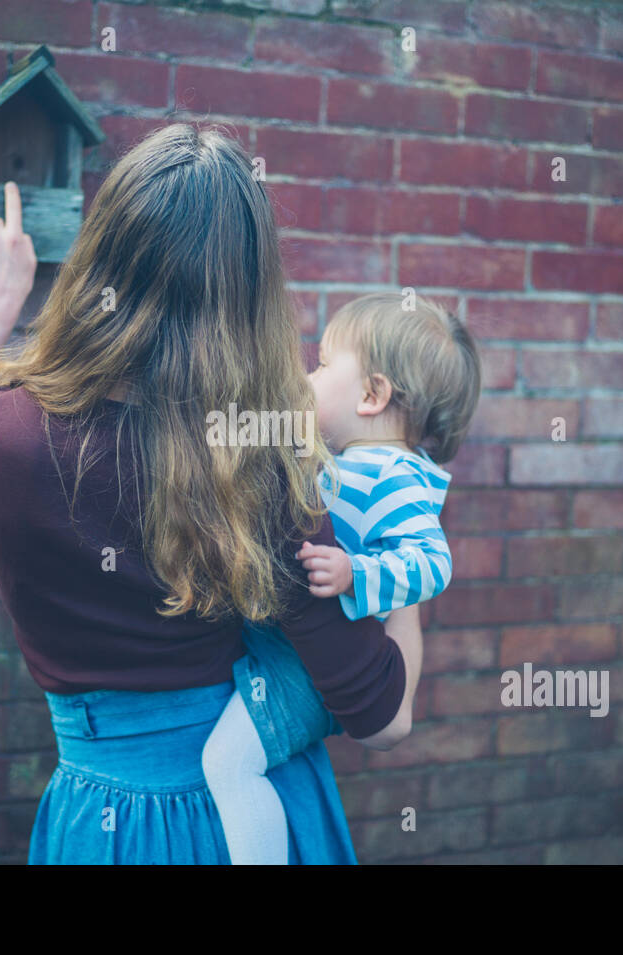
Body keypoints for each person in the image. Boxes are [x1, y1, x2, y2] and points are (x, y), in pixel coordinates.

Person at [0, 124, 422, 864]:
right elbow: (383, 715)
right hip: (232, 821)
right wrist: (406, 543)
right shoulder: (258, 467)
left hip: (90, 818)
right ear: (246, 301)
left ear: (99, 258)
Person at [201, 293, 480, 864]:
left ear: (372, 395)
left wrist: (358, 571)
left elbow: (434, 564)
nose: (310, 375)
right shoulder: (349, 462)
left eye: (324, 364)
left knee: (226, 765)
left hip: (302, 673)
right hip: (295, 653)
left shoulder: (393, 478)